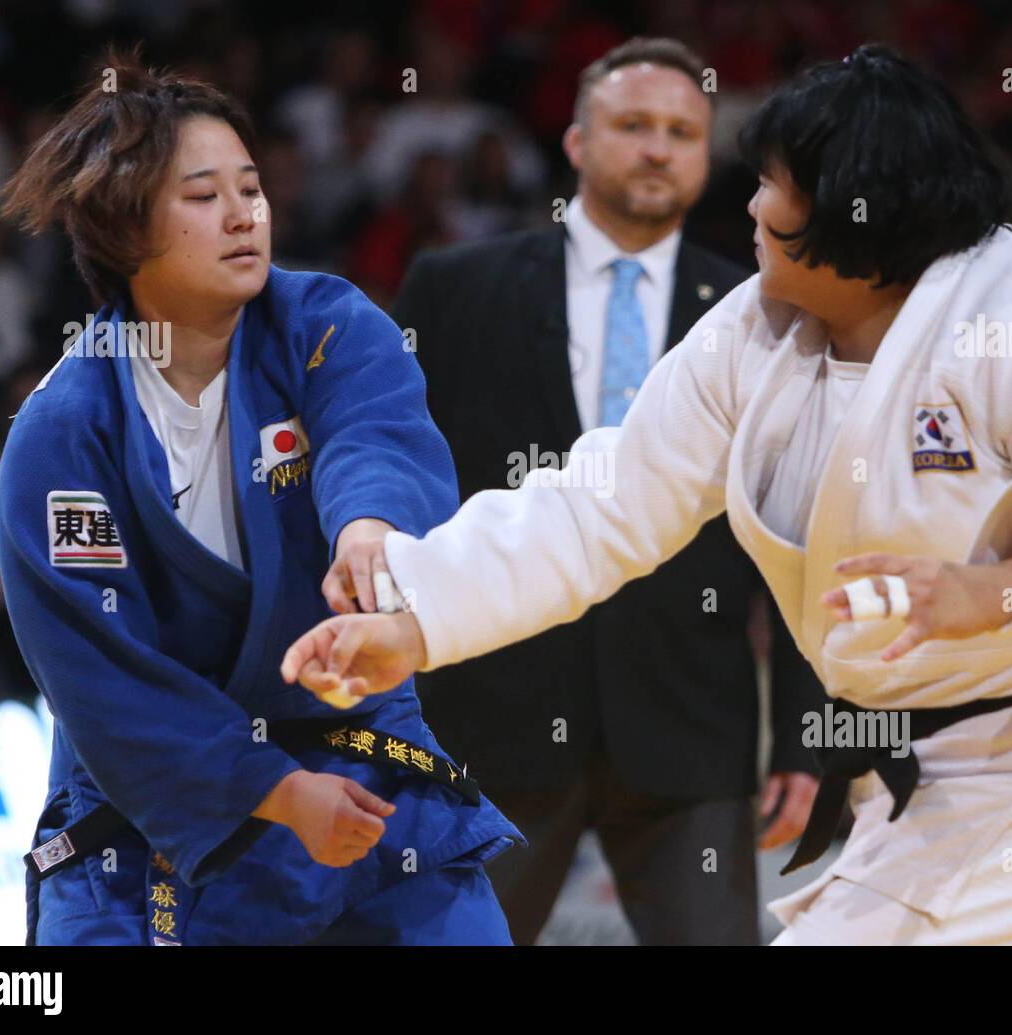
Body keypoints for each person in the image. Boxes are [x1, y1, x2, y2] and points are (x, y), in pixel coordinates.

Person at [281, 44, 1012, 945]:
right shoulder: (757, 329)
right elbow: (605, 502)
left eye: (774, 185)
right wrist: (415, 616)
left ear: (852, 212)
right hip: (916, 785)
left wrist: (987, 589)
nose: (753, 205)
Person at [0, 47, 520, 946]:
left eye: (251, 188)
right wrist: (274, 791)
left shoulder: (327, 324)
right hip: (155, 802)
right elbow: (103, 680)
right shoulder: (64, 431)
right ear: (124, 229)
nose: (244, 216)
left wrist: (369, 531)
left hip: (360, 764)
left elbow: (376, 433)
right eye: (203, 197)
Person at [390, 37, 821, 947]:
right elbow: (399, 478)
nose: (657, 148)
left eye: (682, 132)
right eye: (632, 125)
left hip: (691, 725)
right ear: (578, 142)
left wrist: (803, 735)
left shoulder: (765, 312)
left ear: (708, 156)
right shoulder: (455, 288)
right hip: (488, 720)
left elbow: (796, 531)